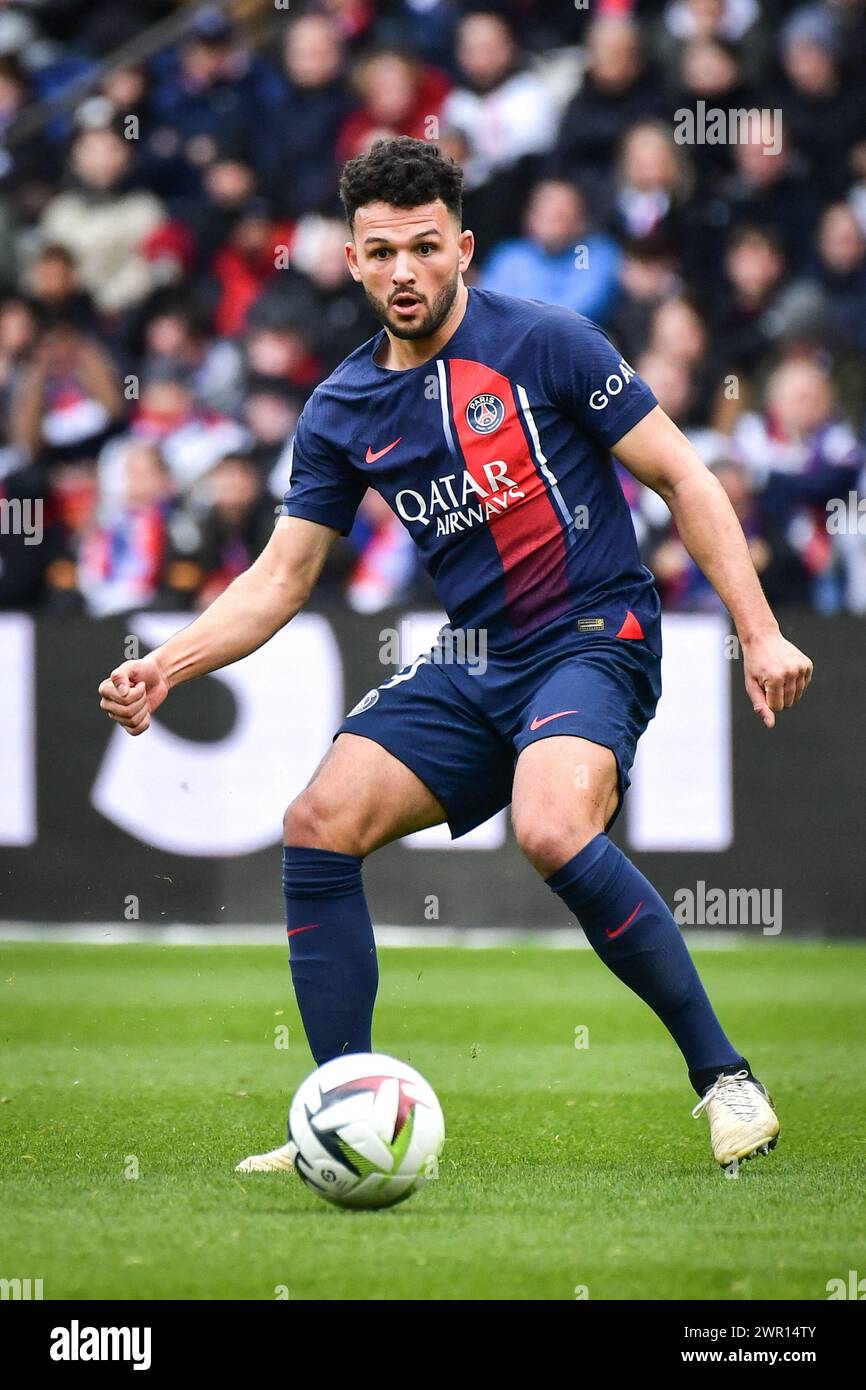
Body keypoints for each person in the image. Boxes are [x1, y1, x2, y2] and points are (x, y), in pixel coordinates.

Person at [97, 138, 812, 1174]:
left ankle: (723, 1077)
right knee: (316, 824)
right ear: (349, 261)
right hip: (474, 656)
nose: (402, 272)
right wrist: (169, 663)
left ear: (462, 249)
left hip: (592, 635)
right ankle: (341, 1114)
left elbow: (685, 479)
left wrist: (757, 629)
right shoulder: (340, 407)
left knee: (550, 823)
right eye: (380, 252)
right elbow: (281, 577)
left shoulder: (549, 342)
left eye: (423, 248)